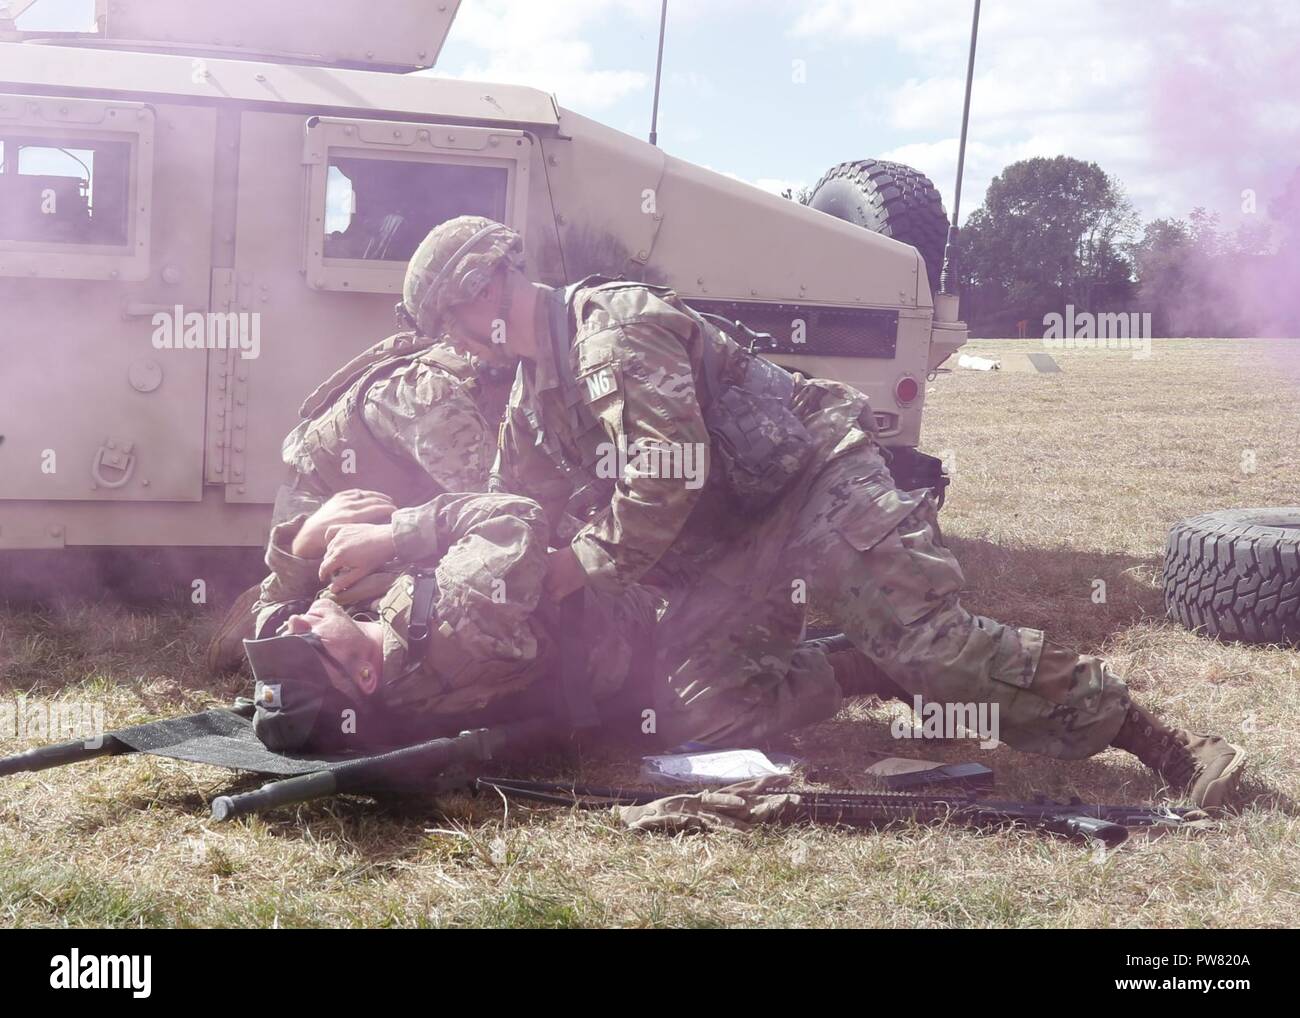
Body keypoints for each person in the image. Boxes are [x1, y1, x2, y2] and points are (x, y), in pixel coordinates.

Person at [399, 213, 1246, 811]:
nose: (452, 345)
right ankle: (855, 666)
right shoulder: (531, 397)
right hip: (733, 542)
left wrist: (573, 566)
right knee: (701, 706)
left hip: (816, 483)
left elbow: (666, 475)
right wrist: (426, 557)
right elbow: (512, 506)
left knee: (934, 650)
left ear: (480, 293)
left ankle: (1156, 739)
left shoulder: (612, 331)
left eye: (446, 324)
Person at [243, 487, 658, 750]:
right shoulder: (458, 618)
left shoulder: (380, 665)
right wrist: (392, 535)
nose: (294, 626)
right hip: (635, 596)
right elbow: (518, 517)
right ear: (366, 676)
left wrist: (301, 545)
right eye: (307, 644)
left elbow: (270, 615)